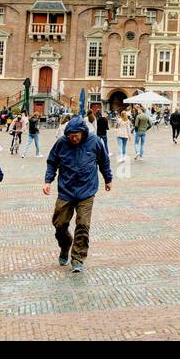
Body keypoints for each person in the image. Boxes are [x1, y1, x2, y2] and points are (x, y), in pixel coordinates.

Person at [43, 115, 113, 274]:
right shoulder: (61, 143)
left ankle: (78, 258)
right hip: (66, 190)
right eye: (70, 136)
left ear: (83, 133)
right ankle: (65, 245)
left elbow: (104, 161)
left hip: (87, 190)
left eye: (76, 135)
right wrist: (48, 181)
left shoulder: (95, 141)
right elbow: (52, 162)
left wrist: (108, 179)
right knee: (59, 224)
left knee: (83, 224)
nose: (73, 138)